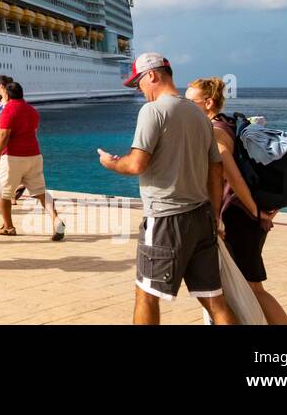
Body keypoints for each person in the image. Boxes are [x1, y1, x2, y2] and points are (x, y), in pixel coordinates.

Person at [98, 53, 236, 325]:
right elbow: (216, 169)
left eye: (139, 82)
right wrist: (214, 214)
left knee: (146, 296)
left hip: (165, 218)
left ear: (152, 75)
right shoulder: (199, 114)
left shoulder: (153, 111)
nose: (139, 90)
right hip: (201, 216)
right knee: (215, 301)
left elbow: (137, 164)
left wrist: (112, 163)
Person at [186, 77, 287, 324]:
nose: (186, 106)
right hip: (243, 216)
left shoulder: (215, 131)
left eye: (190, 101)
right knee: (244, 287)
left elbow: (231, 176)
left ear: (208, 102)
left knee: (254, 288)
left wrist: (255, 212)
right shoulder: (227, 123)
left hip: (238, 218)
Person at [0, 81, 64, 240]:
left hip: (13, 157)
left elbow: (3, 135)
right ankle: (56, 219)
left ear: (8, 95)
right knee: (41, 193)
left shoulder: (8, 110)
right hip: (34, 155)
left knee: (3, 194)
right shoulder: (32, 110)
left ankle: (8, 227)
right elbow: (32, 131)